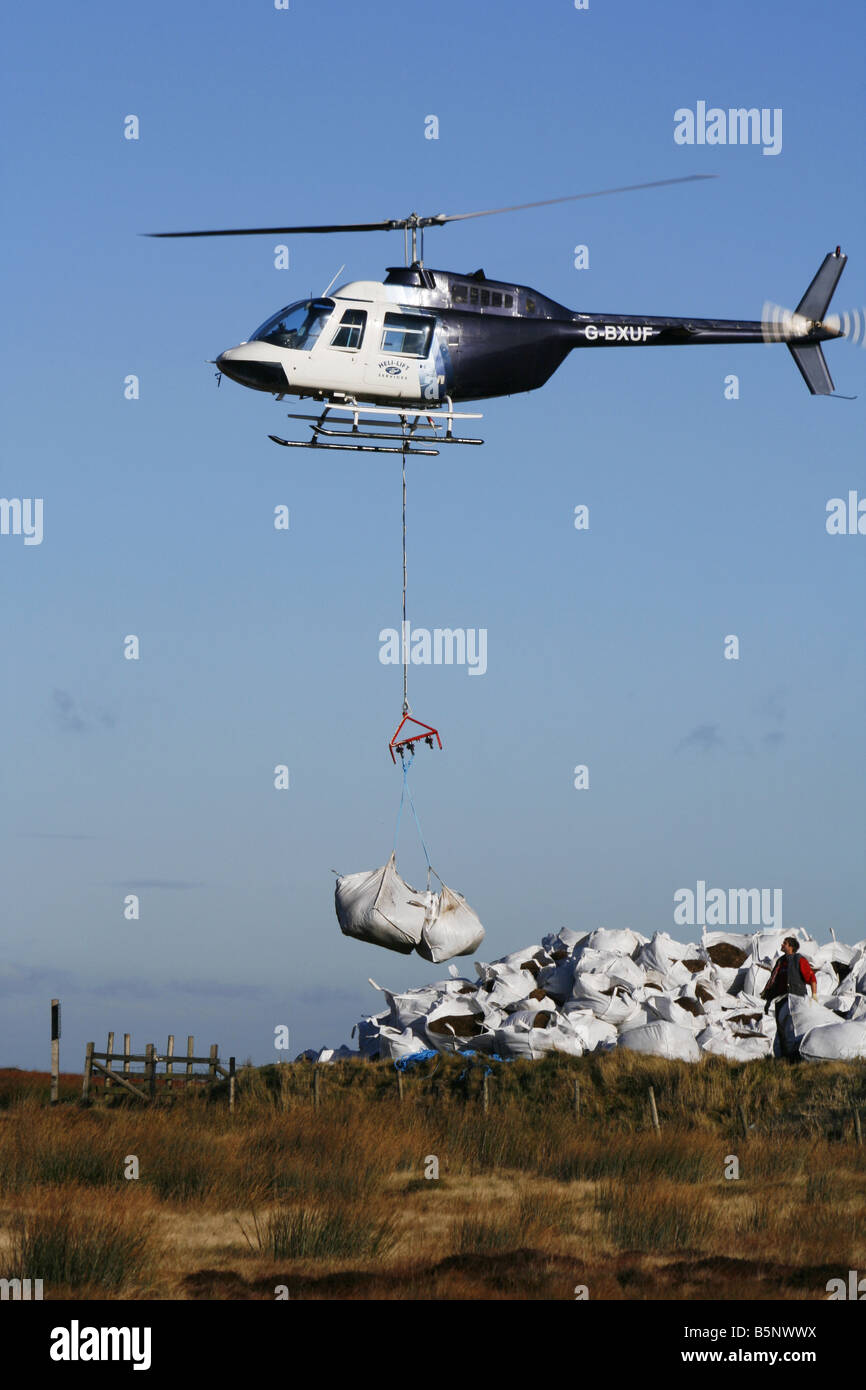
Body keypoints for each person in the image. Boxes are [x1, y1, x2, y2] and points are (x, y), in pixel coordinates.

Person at [761, 936, 818, 1059]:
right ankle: (784, 1057)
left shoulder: (799, 960)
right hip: (780, 1000)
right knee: (781, 1028)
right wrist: (768, 998)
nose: (782, 944)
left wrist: (814, 995)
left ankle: (797, 1055)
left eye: (785, 943)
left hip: (796, 999)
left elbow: (811, 977)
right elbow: (773, 980)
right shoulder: (780, 961)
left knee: (794, 1028)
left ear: (791, 947)